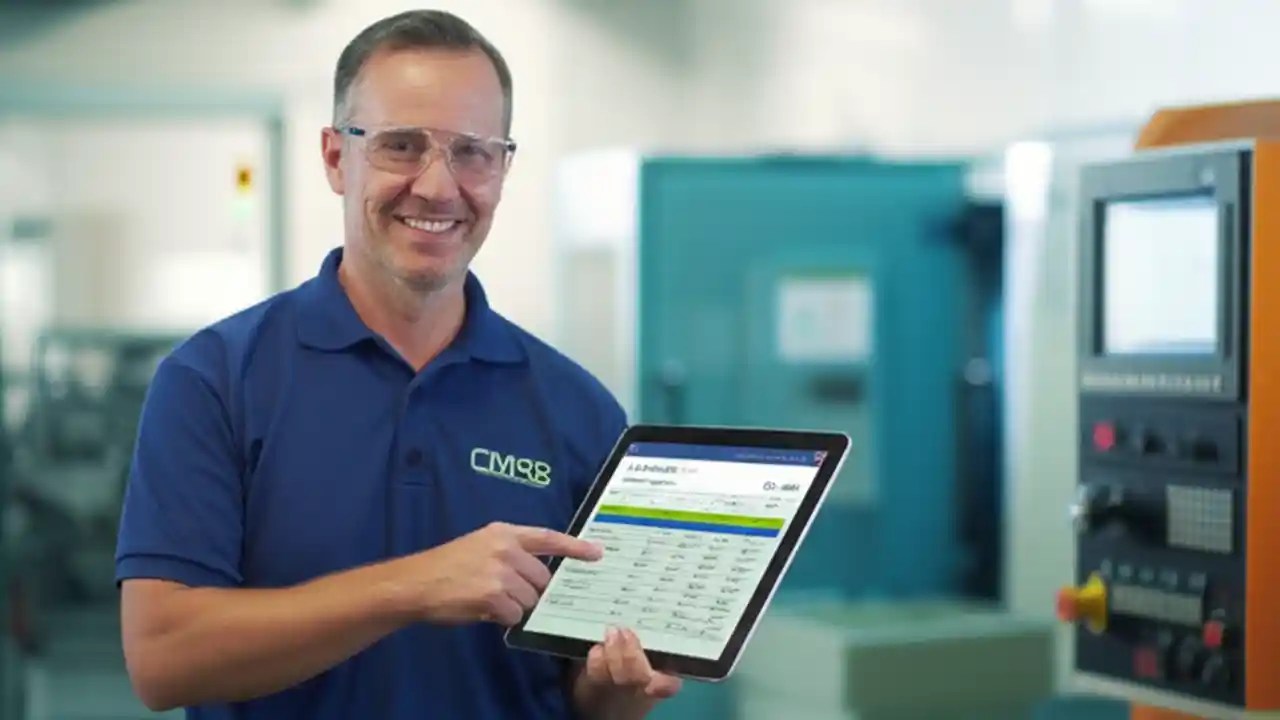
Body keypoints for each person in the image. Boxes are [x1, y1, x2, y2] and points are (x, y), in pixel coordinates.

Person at [115, 9, 682, 720]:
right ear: (334, 157)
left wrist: (616, 690)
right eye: (402, 145)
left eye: (472, 151)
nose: (439, 187)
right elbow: (163, 661)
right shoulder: (215, 381)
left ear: (503, 169)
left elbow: (585, 700)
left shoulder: (577, 408)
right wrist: (415, 586)